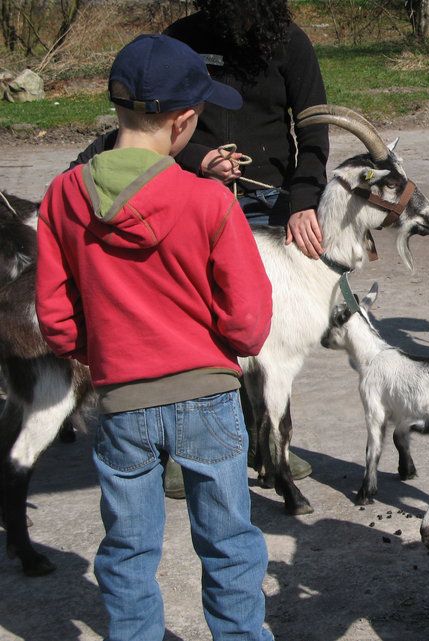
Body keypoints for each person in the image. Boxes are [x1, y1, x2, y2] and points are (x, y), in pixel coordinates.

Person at [36, 34, 274, 641]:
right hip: (209, 397)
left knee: (127, 550)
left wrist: (102, 353)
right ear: (185, 121)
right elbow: (248, 323)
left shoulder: (64, 196)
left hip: (119, 400)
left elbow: (57, 318)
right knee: (229, 546)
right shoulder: (210, 201)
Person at [70, 0, 325, 483]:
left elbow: (313, 129)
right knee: (195, 320)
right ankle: (183, 449)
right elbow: (160, 126)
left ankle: (269, 440)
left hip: (271, 200)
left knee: (268, 328)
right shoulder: (182, 37)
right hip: (195, 196)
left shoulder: (291, 42)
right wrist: (201, 160)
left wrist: (304, 198)